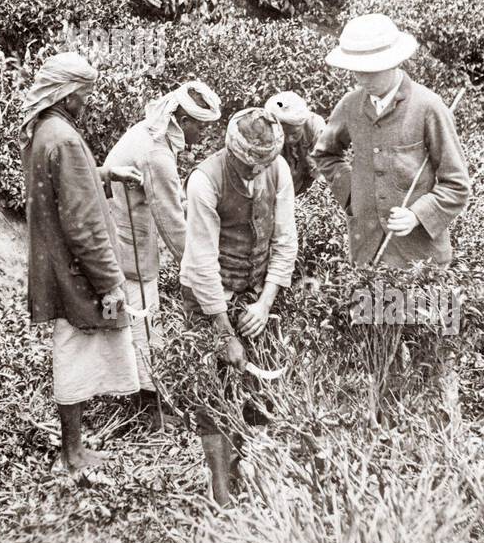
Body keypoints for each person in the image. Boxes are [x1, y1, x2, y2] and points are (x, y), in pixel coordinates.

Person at [313, 13, 471, 423]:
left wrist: (419, 215)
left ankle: (440, 442)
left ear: (395, 62)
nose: (362, 78)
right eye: (356, 70)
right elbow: (325, 154)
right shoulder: (349, 106)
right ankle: (386, 441)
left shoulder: (429, 108)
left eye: (370, 70)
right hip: (369, 259)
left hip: (424, 264)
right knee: (379, 362)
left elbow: (457, 185)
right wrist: (353, 196)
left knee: (433, 359)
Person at [20, 52, 143, 475]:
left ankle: (74, 448)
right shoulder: (65, 139)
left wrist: (107, 174)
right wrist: (110, 282)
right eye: (83, 97)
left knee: (72, 352)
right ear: (68, 95)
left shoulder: (46, 131)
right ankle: (71, 454)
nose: (85, 105)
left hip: (57, 264)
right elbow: (84, 223)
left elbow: (71, 182)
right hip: (74, 271)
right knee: (73, 355)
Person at [180, 107, 297, 506]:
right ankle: (220, 490)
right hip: (208, 295)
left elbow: (285, 241)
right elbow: (200, 263)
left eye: (259, 166)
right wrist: (224, 332)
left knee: (259, 390)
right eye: (246, 165)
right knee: (215, 391)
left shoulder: (279, 171)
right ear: (231, 151)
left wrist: (265, 303)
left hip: (255, 293)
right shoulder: (204, 182)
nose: (252, 173)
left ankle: (245, 468)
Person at [103, 80, 222, 426]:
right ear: (183, 121)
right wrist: (199, 270)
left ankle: (132, 393)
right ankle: (148, 406)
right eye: (200, 126)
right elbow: (171, 221)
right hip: (132, 246)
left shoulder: (151, 131)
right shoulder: (156, 153)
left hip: (124, 231)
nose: (202, 133)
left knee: (132, 318)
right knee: (144, 320)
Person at [264, 91, 328, 196]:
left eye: (294, 133)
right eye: (283, 134)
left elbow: (327, 168)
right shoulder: (267, 132)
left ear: (302, 124)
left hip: (308, 187)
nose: (289, 139)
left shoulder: (315, 126)